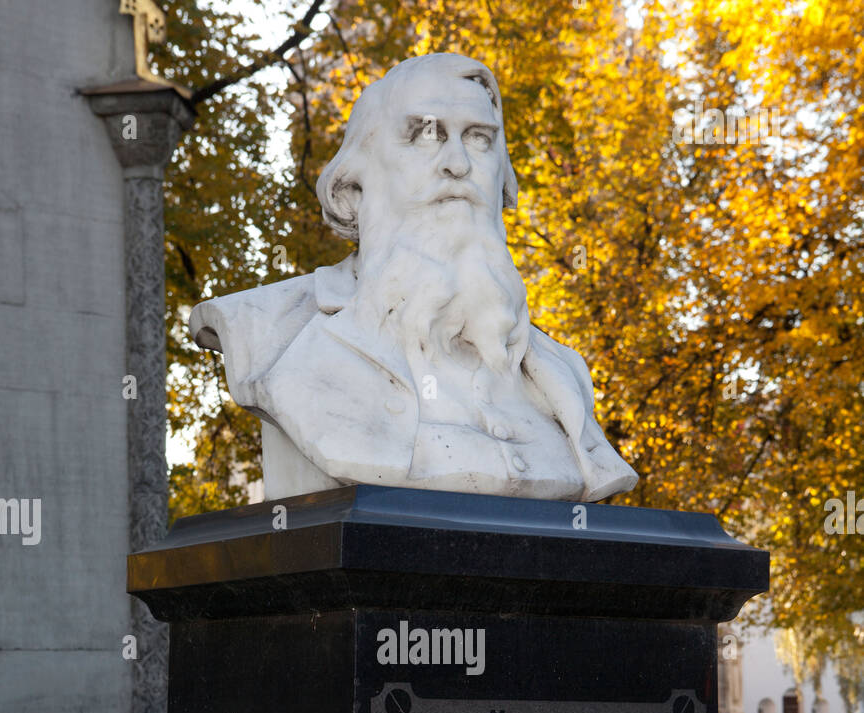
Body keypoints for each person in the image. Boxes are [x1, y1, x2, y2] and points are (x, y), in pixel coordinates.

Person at [189, 52, 637, 503]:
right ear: (353, 184)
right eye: (425, 135)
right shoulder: (266, 330)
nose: (458, 164)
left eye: (480, 139)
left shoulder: (562, 373)